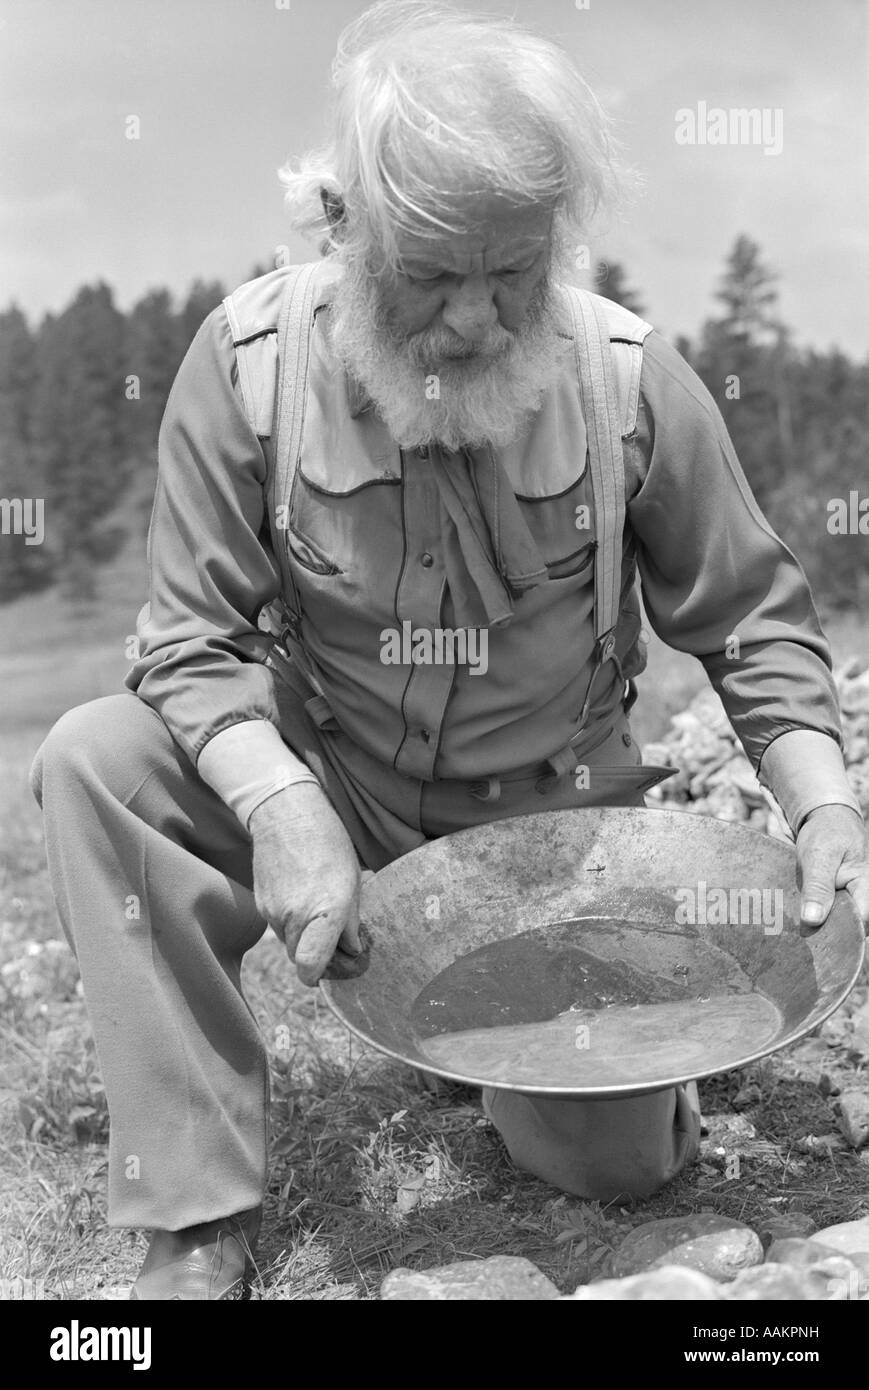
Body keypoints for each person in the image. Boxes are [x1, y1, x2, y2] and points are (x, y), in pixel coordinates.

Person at [30, 0, 868, 1300]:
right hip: (336, 778)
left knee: (616, 1171)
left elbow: (749, 613)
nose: (476, 318)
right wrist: (277, 797)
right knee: (100, 761)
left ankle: (511, 1050)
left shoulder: (633, 385)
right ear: (346, 225)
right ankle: (190, 1213)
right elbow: (189, 641)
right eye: (431, 270)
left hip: (546, 840)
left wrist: (820, 798)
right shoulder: (247, 369)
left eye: (512, 271)